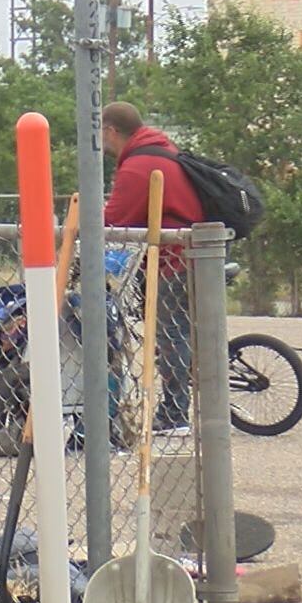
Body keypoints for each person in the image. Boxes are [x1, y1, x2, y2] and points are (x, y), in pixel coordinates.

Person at [101, 101, 203, 433]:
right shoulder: (159, 148)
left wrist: (79, 223)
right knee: (180, 333)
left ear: (111, 131)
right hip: (191, 254)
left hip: (173, 261)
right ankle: (195, 396)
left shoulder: (137, 166)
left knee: (171, 335)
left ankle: (174, 414)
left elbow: (113, 219)